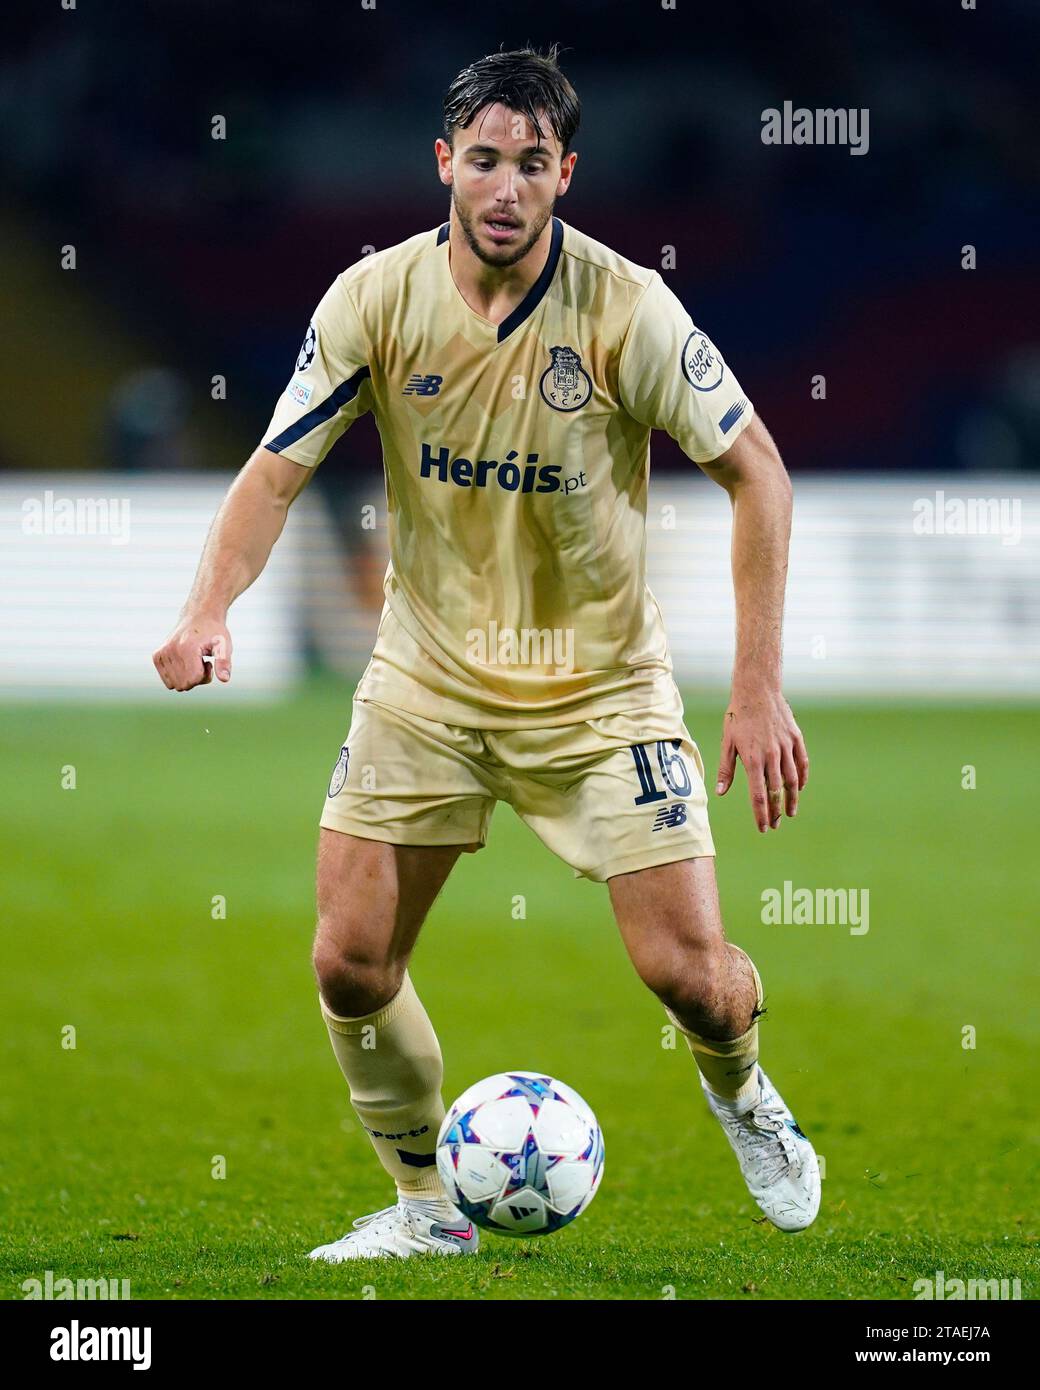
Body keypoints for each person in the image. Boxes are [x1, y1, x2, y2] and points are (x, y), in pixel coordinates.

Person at [153, 44, 818, 1262]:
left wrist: (757, 687)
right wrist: (209, 608)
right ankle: (424, 1212)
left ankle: (744, 1095)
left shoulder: (627, 308)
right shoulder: (373, 299)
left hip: (600, 689)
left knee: (689, 976)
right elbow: (272, 471)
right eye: (480, 159)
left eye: (528, 164)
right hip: (427, 677)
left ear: (564, 172)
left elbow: (756, 474)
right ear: (442, 163)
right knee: (349, 964)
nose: (502, 187)